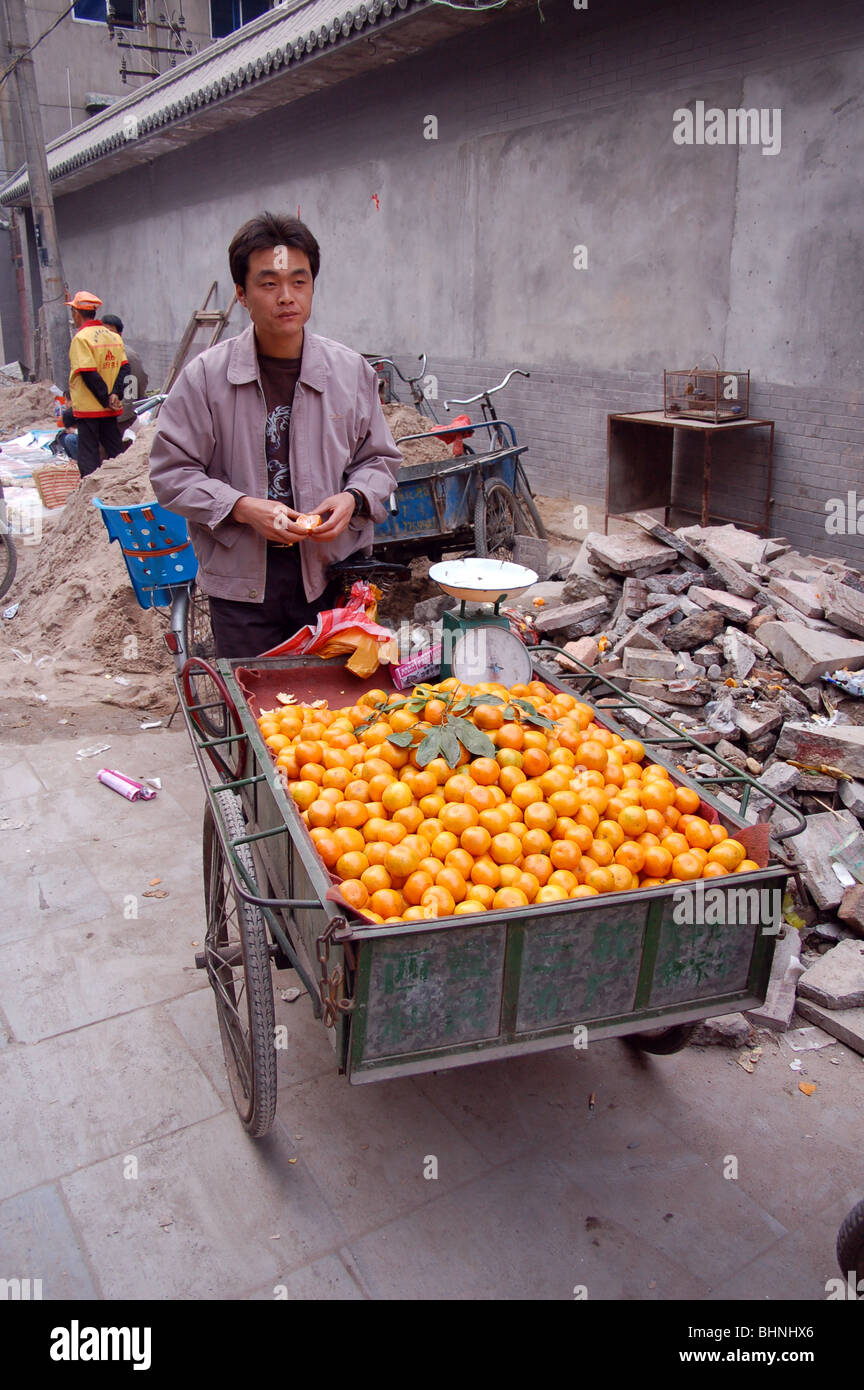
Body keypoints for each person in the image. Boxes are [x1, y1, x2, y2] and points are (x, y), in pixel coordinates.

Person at [149, 212, 402, 659]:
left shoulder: (351, 372)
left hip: (334, 577)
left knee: (337, 717)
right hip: (242, 589)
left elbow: (379, 460)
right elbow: (172, 473)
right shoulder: (206, 378)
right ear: (242, 295)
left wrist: (355, 499)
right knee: (256, 710)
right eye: (268, 283)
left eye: (299, 282)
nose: (286, 297)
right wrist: (242, 507)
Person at [66, 291, 130, 478]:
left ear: (77, 313)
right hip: (110, 408)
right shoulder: (113, 337)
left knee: (89, 454)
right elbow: (125, 369)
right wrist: (115, 395)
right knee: (115, 450)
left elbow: (88, 373)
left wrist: (104, 398)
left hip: (89, 408)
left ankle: (90, 492)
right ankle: (123, 482)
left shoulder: (81, 338)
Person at [102, 313, 149, 430]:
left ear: (119, 334)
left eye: (111, 332)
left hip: (122, 413)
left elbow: (137, 380)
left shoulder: (128, 355)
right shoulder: (99, 353)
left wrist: (128, 406)